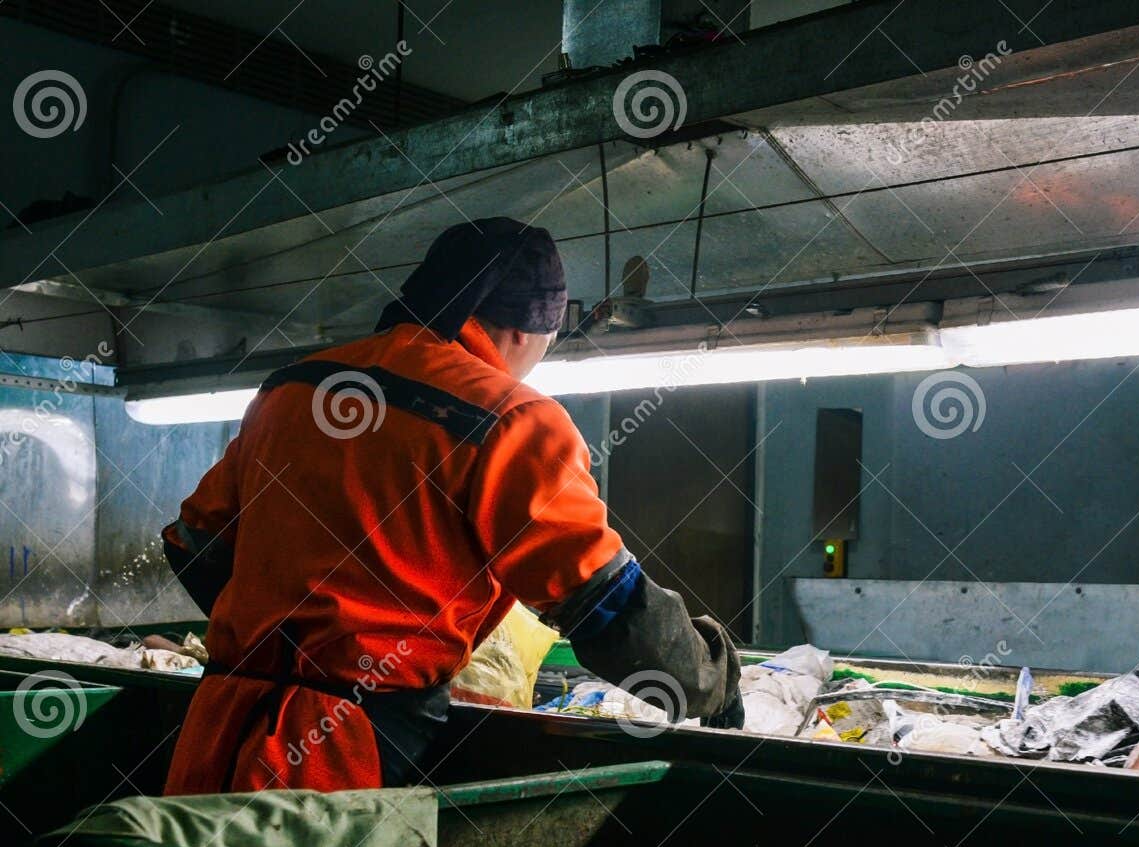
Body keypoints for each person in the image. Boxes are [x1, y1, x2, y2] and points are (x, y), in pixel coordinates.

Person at [160, 217, 743, 795]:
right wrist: (708, 678)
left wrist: (278, 640)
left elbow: (194, 539)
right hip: (341, 749)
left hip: (215, 727)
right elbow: (606, 607)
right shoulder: (513, 420)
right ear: (524, 330)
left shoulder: (292, 389)